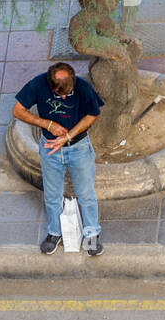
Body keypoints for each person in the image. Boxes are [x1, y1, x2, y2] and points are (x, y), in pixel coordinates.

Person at [12, 62, 104, 256]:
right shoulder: (38, 84)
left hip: (78, 147)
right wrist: (46, 123)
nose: (64, 97)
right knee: (52, 194)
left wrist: (68, 136)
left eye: (68, 93)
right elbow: (18, 110)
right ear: (51, 85)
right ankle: (55, 232)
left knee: (86, 193)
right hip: (50, 149)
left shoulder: (82, 87)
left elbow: (93, 114)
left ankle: (92, 233)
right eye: (59, 95)